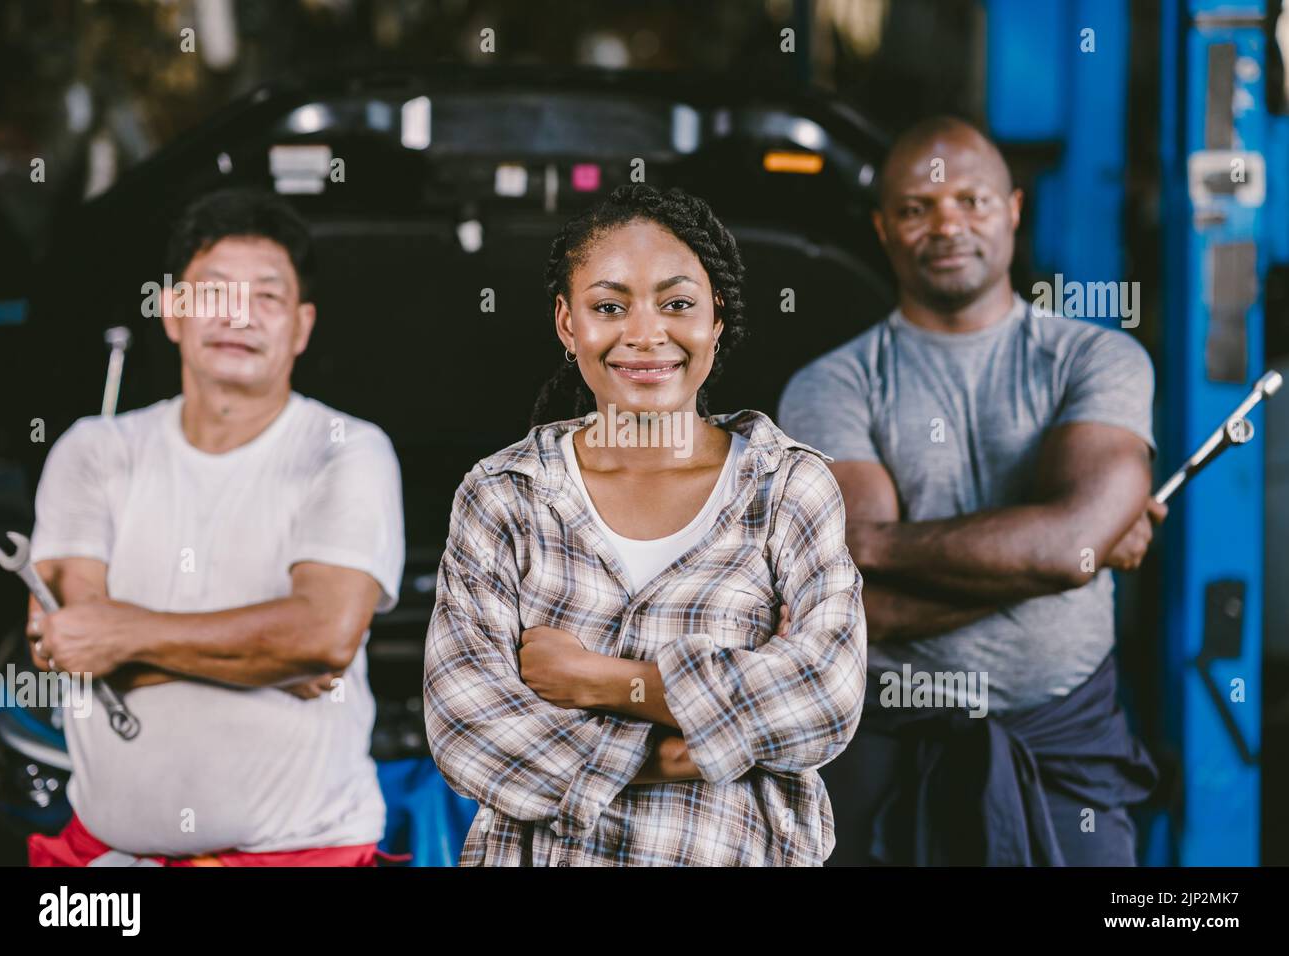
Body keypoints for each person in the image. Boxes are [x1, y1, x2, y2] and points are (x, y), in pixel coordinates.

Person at [423, 184, 866, 866]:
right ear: (569, 325)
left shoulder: (785, 488)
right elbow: (469, 728)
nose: (644, 333)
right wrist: (689, 752)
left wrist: (598, 680)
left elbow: (823, 699)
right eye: (609, 306)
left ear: (716, 317)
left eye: (677, 303)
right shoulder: (504, 495)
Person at [779, 116, 1162, 866]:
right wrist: (1066, 557)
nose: (947, 224)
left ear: (1014, 208)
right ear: (884, 227)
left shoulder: (1099, 358)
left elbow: (878, 575)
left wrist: (879, 546)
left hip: (1062, 745)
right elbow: (856, 601)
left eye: (971, 201)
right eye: (918, 209)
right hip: (883, 745)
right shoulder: (831, 384)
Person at [25, 188, 405, 866]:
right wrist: (269, 659)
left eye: (267, 296)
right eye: (214, 291)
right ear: (172, 311)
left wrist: (122, 637)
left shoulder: (347, 448)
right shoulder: (93, 450)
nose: (238, 315)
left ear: (301, 327)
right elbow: (67, 642)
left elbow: (322, 636)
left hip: (304, 854)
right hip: (106, 860)